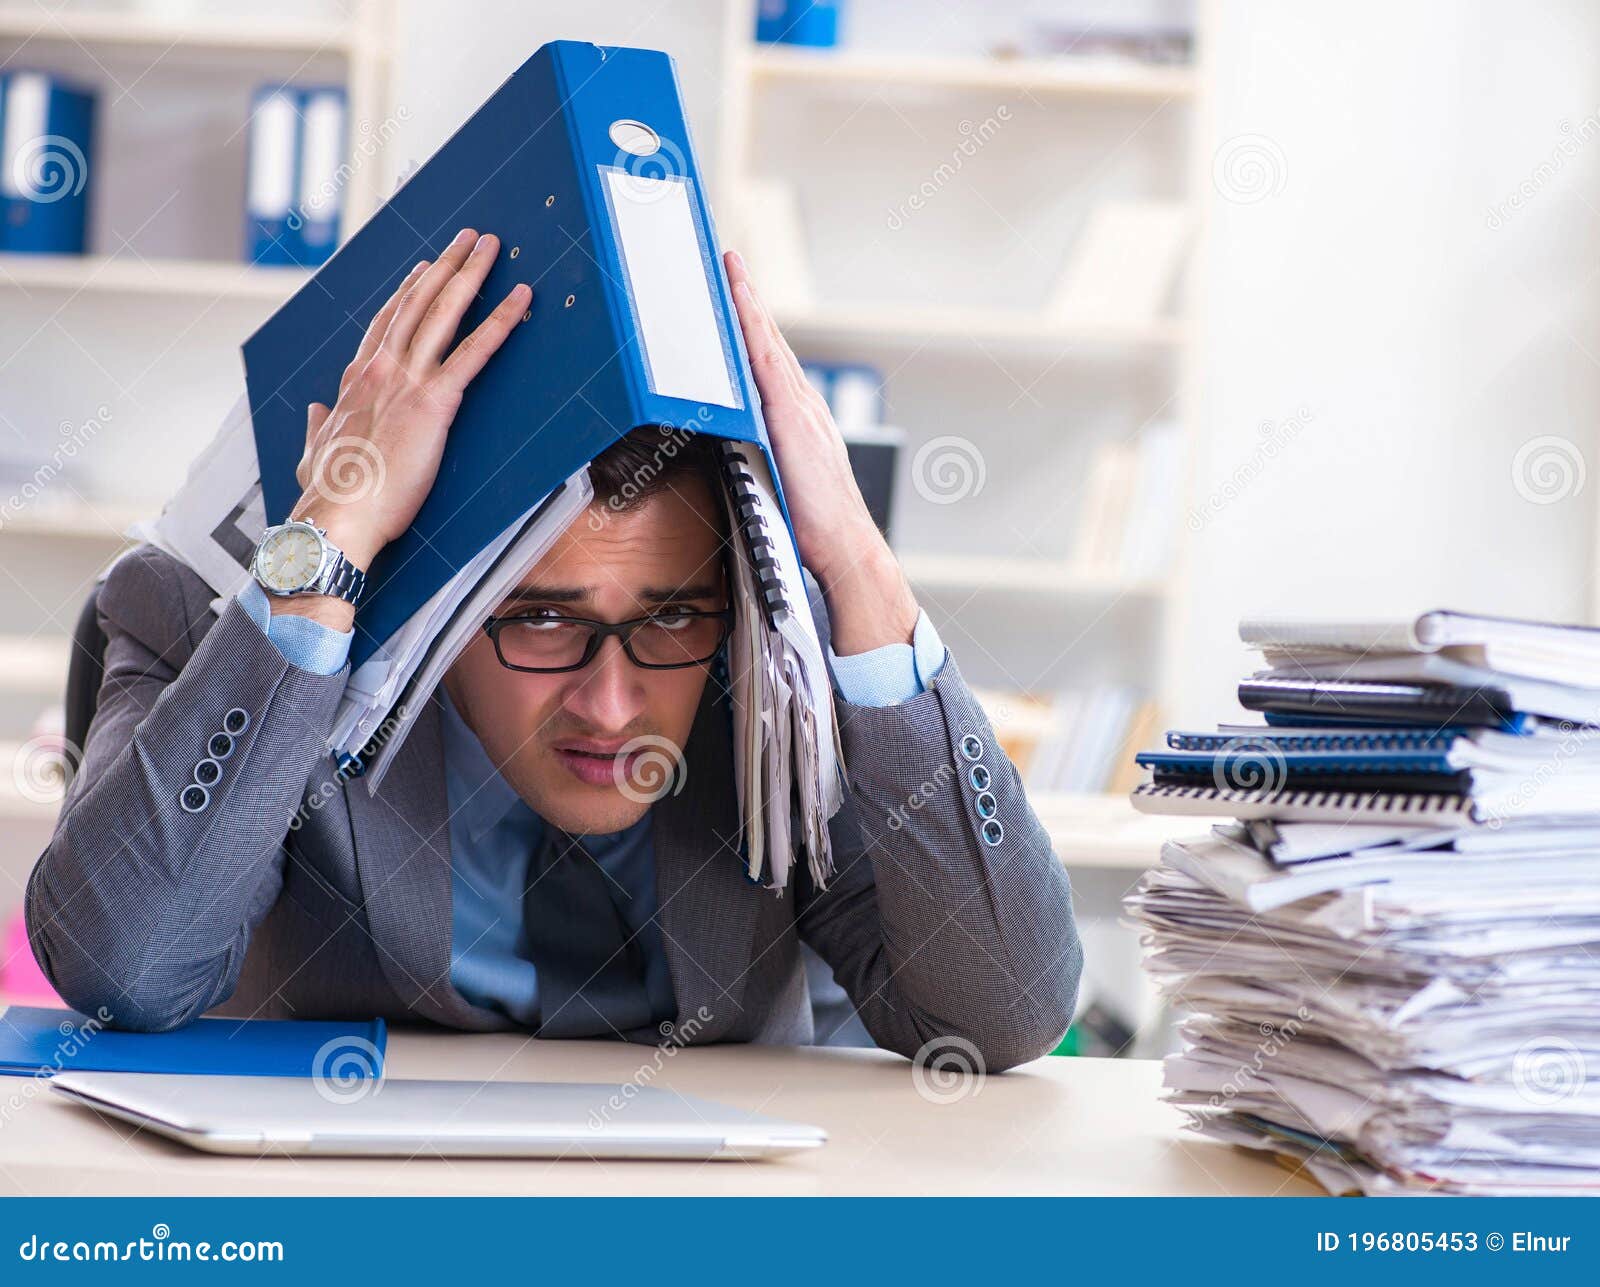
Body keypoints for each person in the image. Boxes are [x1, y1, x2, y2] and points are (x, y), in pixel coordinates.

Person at [27, 228, 1081, 1071]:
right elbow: (127, 968)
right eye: (542, 619)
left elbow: (1002, 1013)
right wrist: (333, 541)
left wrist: (860, 565)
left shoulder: (771, 669)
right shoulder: (207, 616)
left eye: (668, 614)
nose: (614, 705)